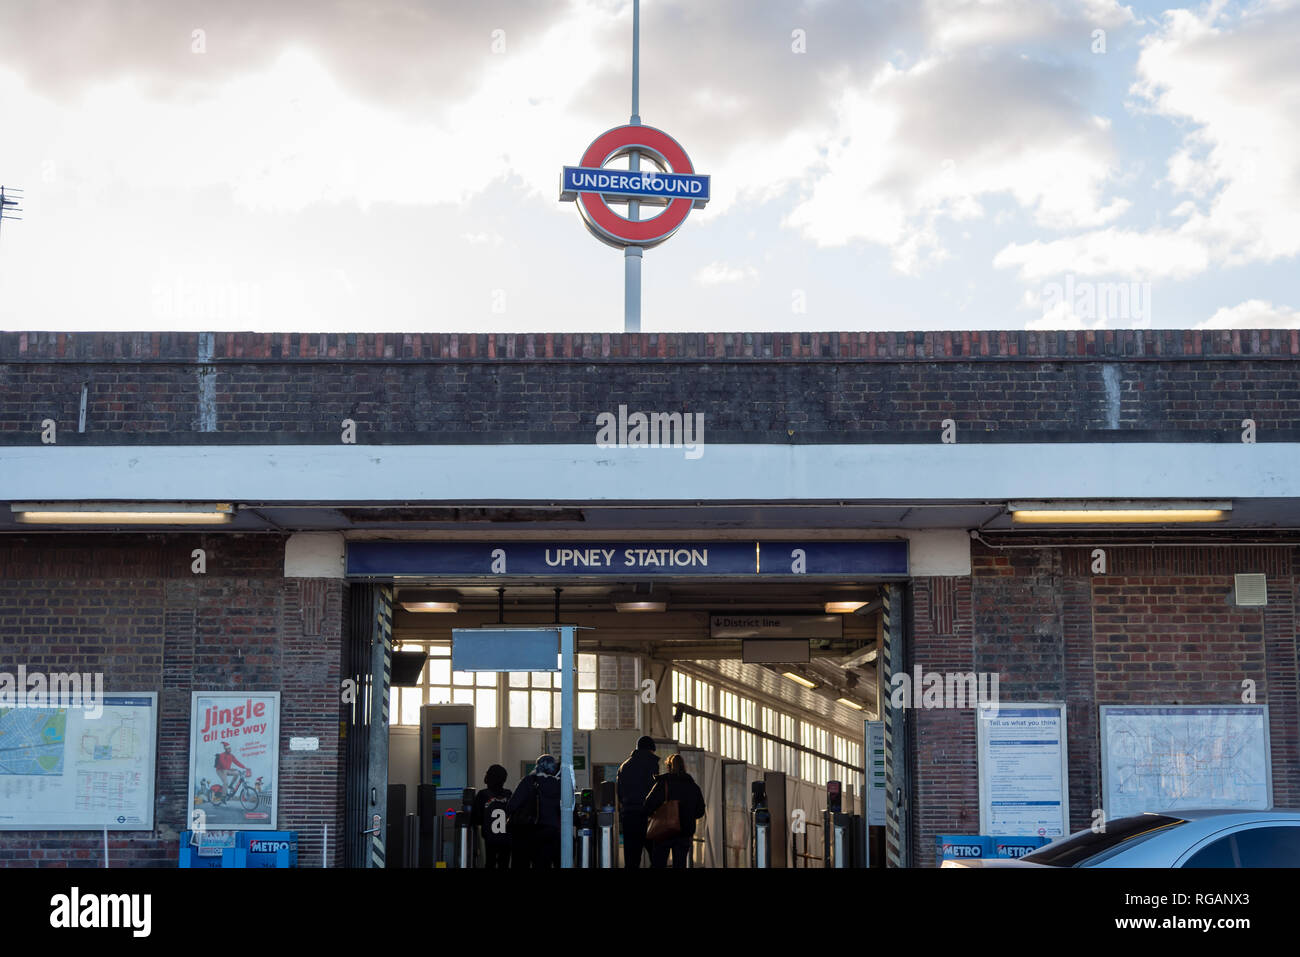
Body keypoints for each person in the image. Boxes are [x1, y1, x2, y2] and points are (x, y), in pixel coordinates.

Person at [643, 752, 706, 869]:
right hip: (684, 832)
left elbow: (648, 805)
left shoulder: (663, 784)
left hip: (663, 831)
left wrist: (658, 813)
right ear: (684, 767)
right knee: (680, 864)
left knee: (659, 864)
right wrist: (688, 815)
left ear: (668, 767)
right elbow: (700, 811)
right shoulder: (693, 787)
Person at [507, 753, 562, 868]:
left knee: (521, 862)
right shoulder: (560, 784)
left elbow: (512, 805)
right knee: (543, 863)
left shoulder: (529, 781)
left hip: (528, 831)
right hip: (551, 832)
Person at [615, 735, 659, 868]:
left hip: (629, 816)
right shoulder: (651, 762)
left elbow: (620, 792)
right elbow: (654, 789)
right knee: (657, 857)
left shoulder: (624, 766)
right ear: (651, 749)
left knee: (631, 858)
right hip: (647, 817)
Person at [470, 764, 513, 869]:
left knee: (490, 863)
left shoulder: (482, 795)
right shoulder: (508, 794)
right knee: (504, 864)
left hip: (490, 838)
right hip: (506, 838)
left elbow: (476, 818)